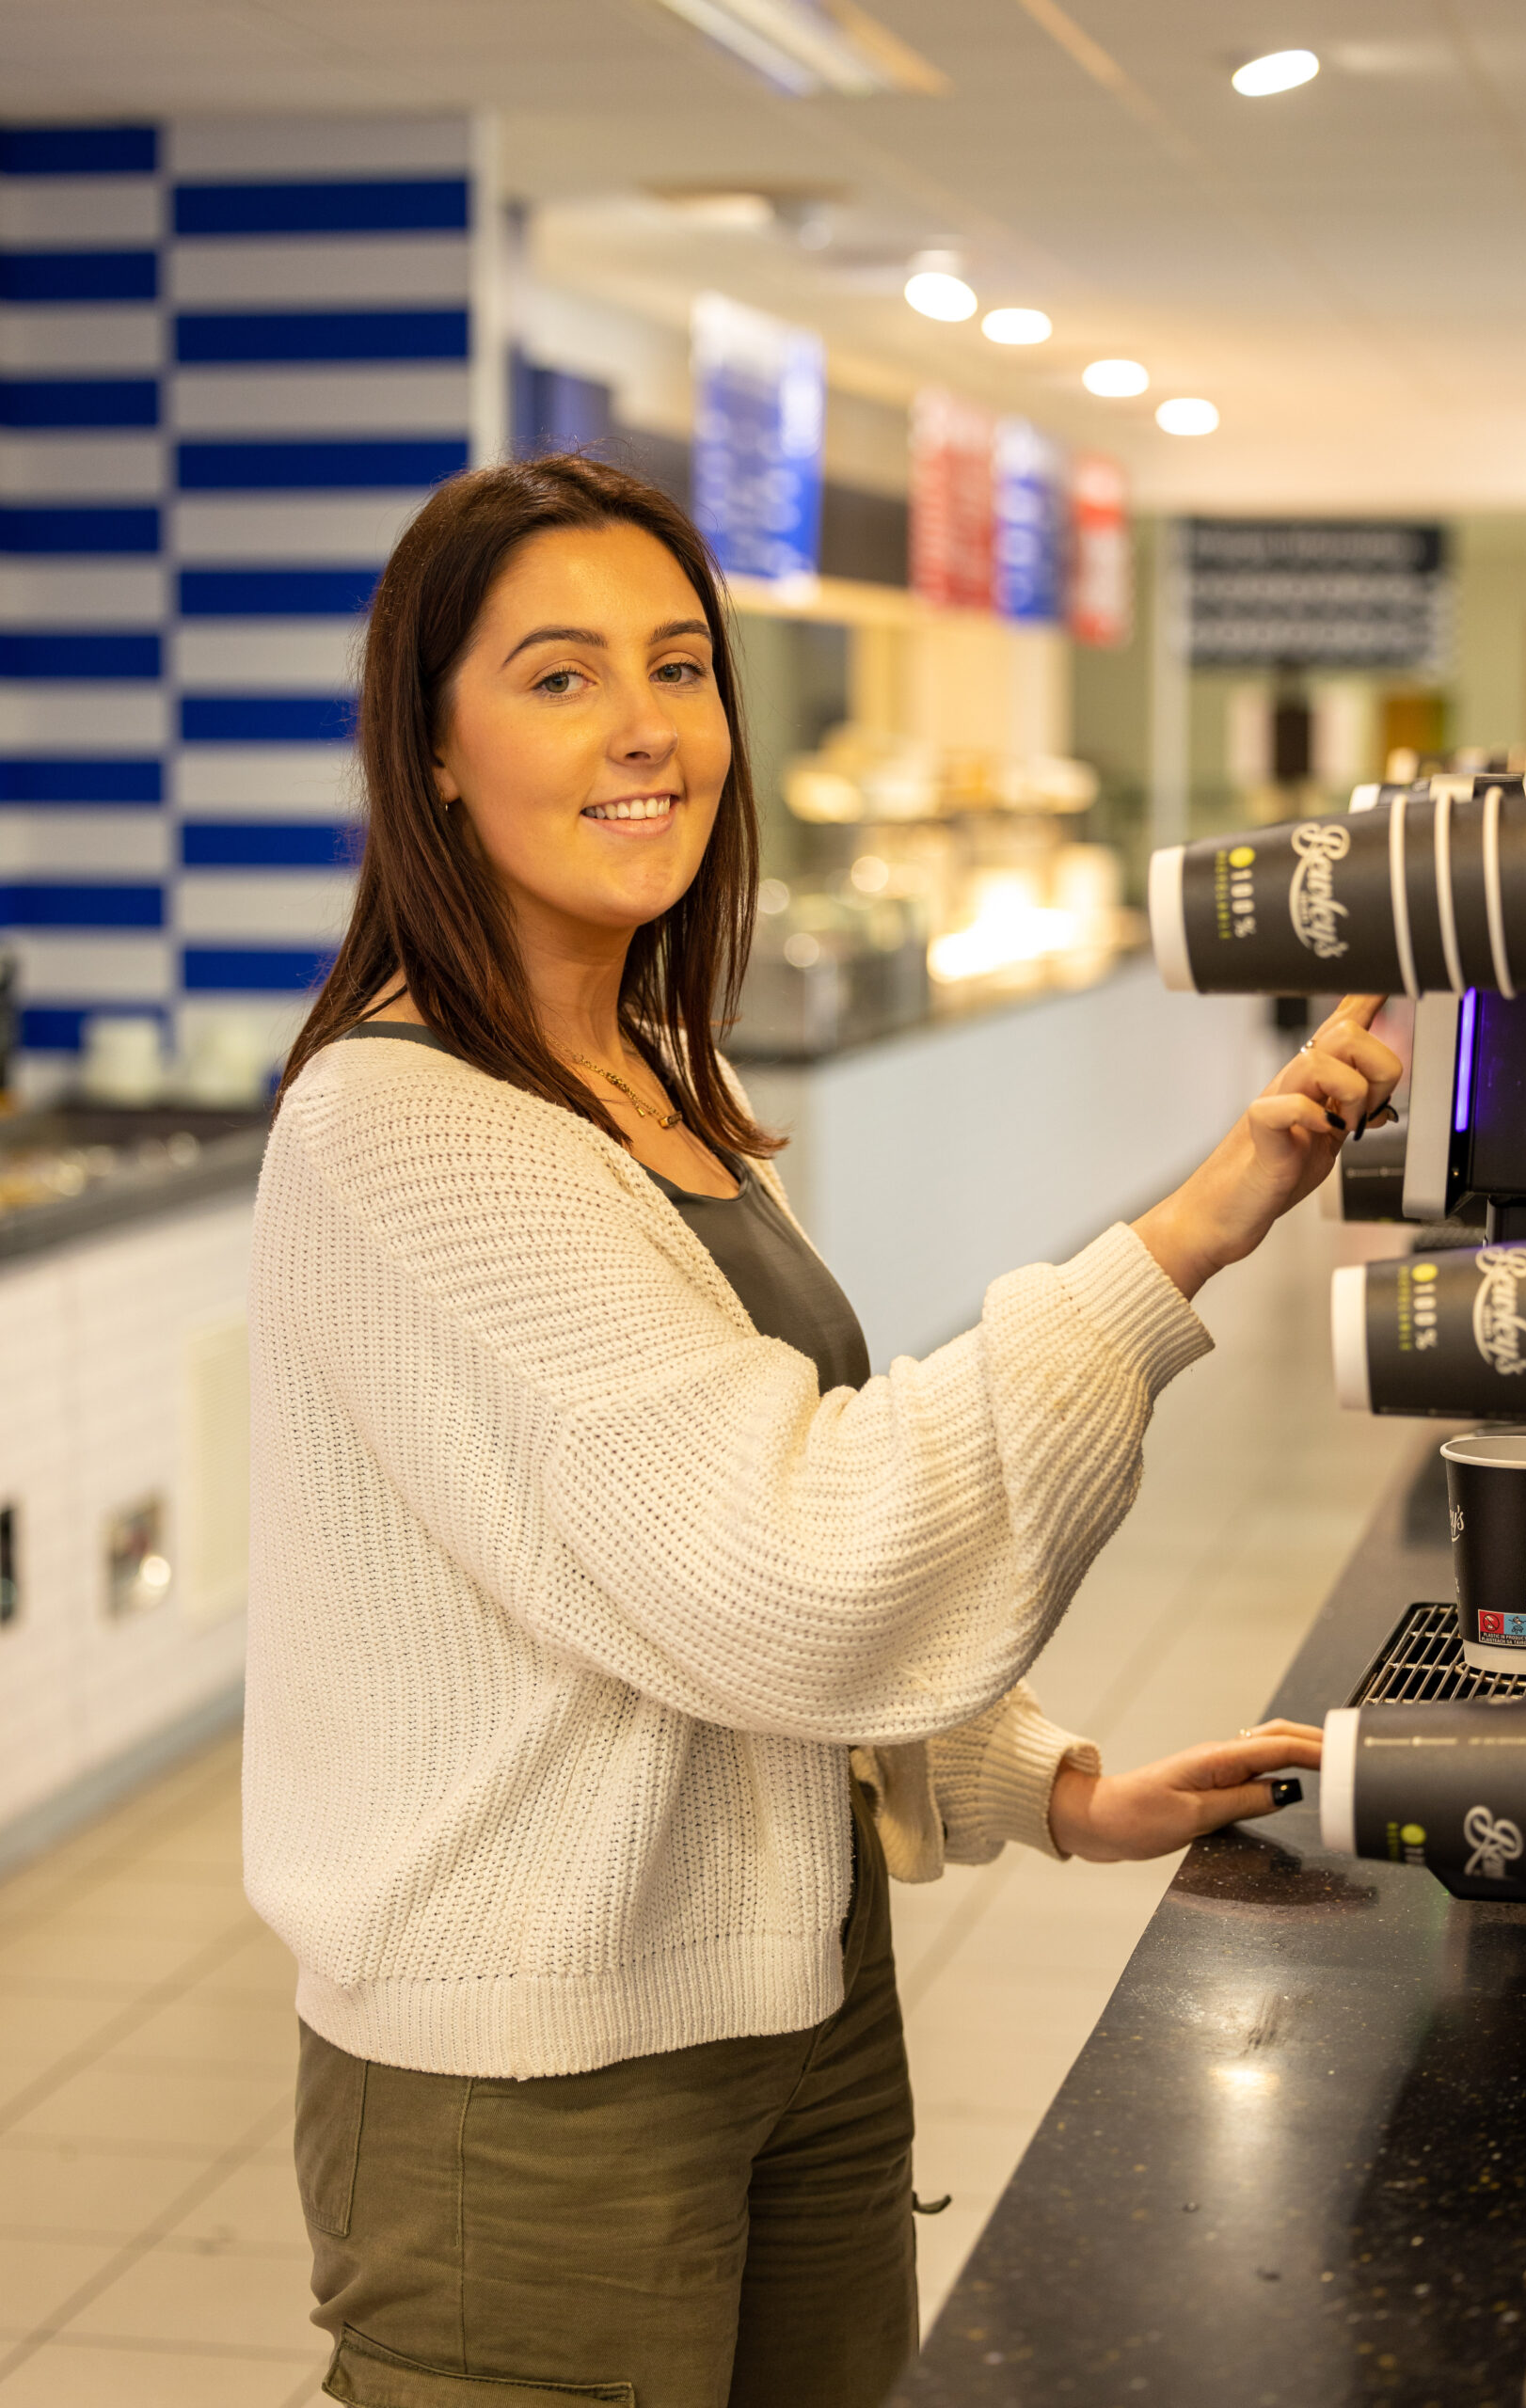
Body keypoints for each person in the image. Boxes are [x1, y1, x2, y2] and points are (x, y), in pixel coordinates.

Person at [246, 455, 1400, 2408]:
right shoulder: (404, 1130)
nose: (642, 726)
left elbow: (693, 1587)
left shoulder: (649, 1081)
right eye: (555, 675)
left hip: (797, 2008)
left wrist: (1040, 1781)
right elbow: (795, 1573)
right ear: (427, 750)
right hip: (539, 2094)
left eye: (679, 665)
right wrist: (1177, 1239)